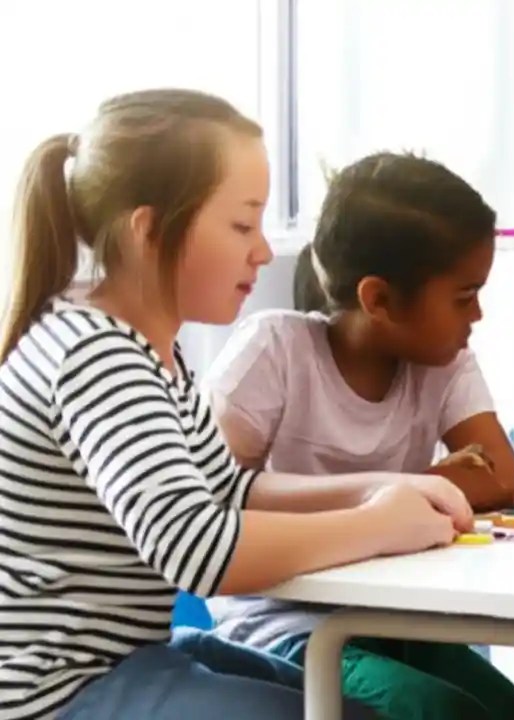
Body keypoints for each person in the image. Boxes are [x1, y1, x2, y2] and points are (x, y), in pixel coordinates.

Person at [0, 89, 471, 720]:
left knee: (357, 709)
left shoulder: (148, 350)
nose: (262, 251)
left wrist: (387, 486)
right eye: (242, 224)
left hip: (131, 660)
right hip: (58, 693)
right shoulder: (97, 356)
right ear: (149, 230)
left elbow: (229, 489)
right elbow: (195, 546)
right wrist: (378, 526)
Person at [204, 151, 514, 720]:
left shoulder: (444, 362)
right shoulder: (276, 351)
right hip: (282, 628)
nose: (478, 314)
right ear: (379, 300)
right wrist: (409, 495)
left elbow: (500, 478)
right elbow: (214, 495)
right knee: (440, 712)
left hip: (397, 618)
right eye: (463, 296)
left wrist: (408, 495)